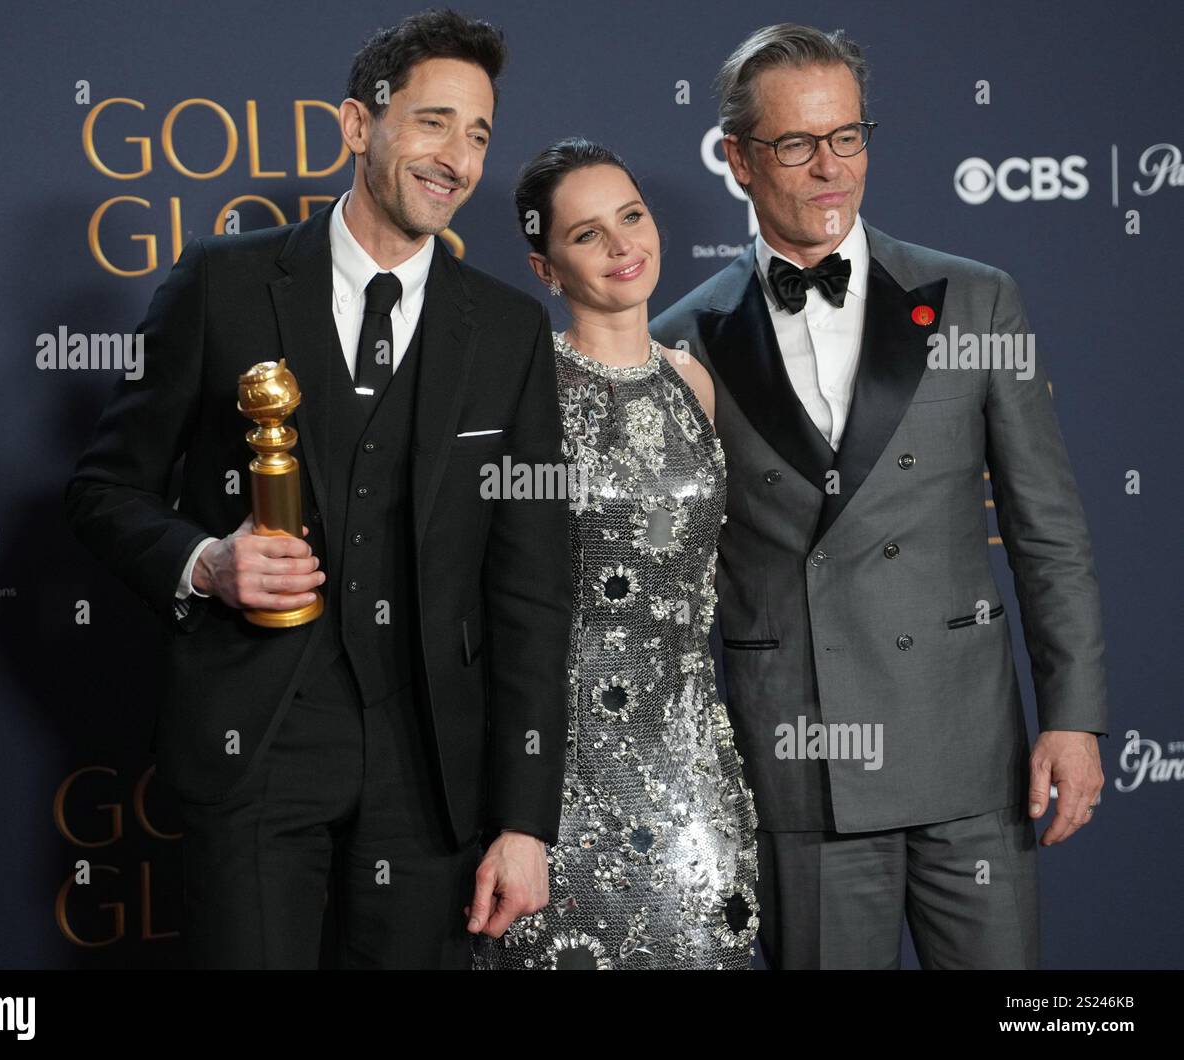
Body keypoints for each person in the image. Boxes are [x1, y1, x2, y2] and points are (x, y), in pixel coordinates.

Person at [64, 8, 571, 969]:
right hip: (255, 753)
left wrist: (524, 820)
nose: (457, 158)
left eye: (478, 136)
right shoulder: (224, 284)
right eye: (433, 122)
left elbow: (533, 590)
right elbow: (103, 491)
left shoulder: (508, 333)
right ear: (356, 126)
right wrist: (206, 562)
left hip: (432, 775)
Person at [651, 23, 1109, 969]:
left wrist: (1073, 717)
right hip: (802, 772)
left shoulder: (977, 301)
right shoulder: (680, 341)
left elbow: (1047, 531)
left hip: (968, 760)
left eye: (848, 136)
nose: (830, 169)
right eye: (796, 144)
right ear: (737, 158)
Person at [473, 138, 759, 970]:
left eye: (630, 216)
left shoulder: (692, 382)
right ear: (545, 268)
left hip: (694, 767)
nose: (623, 245)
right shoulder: (523, 395)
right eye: (587, 234)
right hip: (560, 778)